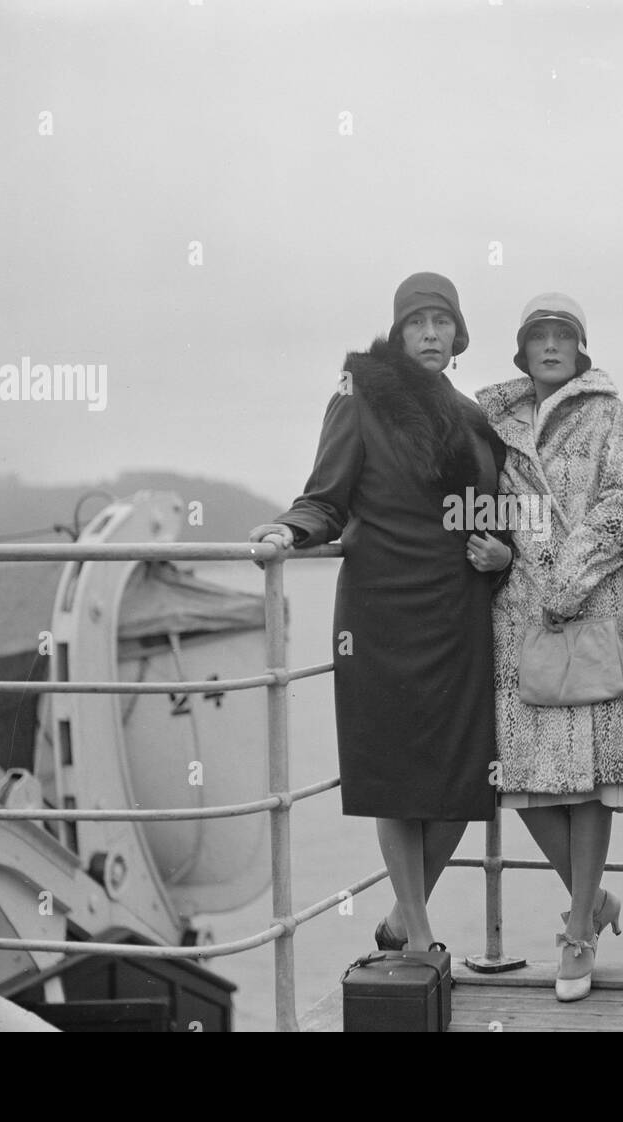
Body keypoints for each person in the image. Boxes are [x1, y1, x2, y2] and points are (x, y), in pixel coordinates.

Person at [248, 272, 513, 953]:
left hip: (459, 612)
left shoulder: (475, 418)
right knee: (396, 776)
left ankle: (402, 913)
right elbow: (326, 493)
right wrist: (290, 531)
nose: (429, 332)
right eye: (416, 322)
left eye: (441, 321)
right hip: (384, 612)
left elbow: (495, 512)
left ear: (459, 336)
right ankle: (420, 937)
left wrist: (503, 551)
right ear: (398, 333)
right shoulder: (360, 395)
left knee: (465, 775)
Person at [476, 293, 623, 1001]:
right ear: (522, 349)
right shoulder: (493, 421)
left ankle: (578, 931)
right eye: (538, 336)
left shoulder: (610, 415)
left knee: (591, 776)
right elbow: (475, 494)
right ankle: (593, 898)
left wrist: (566, 575)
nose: (550, 346)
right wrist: (487, 549)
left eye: (563, 336)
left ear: (581, 348)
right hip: (518, 610)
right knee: (528, 779)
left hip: (593, 602)